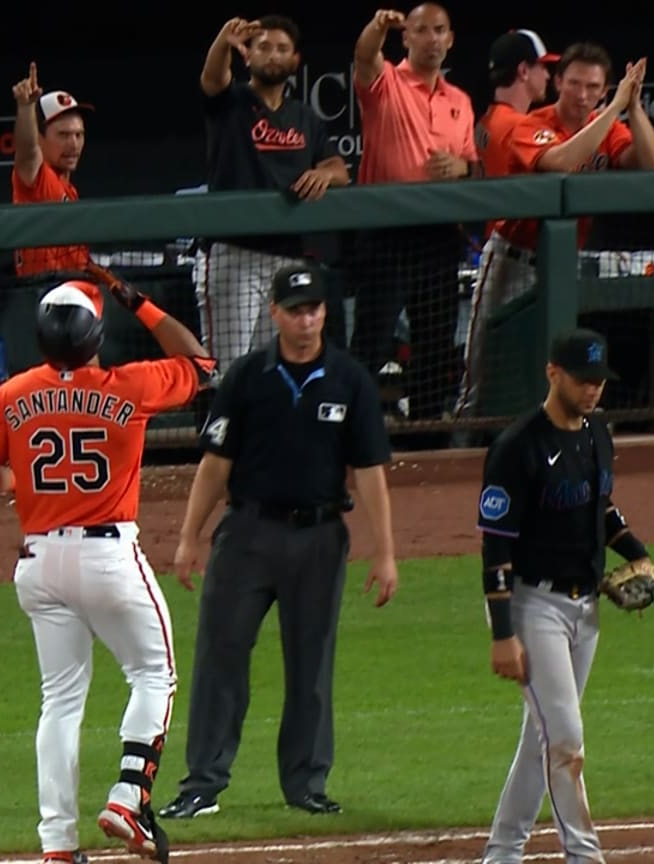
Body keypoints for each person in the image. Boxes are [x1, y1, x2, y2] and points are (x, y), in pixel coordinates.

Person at [0, 274, 220, 864]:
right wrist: (139, 300)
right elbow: (202, 361)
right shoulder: (130, 386)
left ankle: (57, 844)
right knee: (154, 673)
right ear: (96, 332)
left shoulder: (14, 394)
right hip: (108, 557)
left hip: (40, 562)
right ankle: (129, 797)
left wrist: (18, 481)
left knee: (60, 701)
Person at [156, 263, 399, 820]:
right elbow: (216, 463)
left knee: (311, 665)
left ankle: (306, 784)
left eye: (314, 309)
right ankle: (202, 783)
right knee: (221, 657)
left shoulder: (350, 379)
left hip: (319, 537)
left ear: (325, 313)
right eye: (295, 310)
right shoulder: (246, 377)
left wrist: (384, 551)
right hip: (246, 534)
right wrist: (189, 537)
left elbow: (368, 473)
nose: (306, 319)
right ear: (275, 314)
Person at [475, 327, 654, 864]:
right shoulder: (516, 448)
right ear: (553, 373)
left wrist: (637, 552)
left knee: (544, 738)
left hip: (586, 610)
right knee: (566, 739)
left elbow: (600, 508)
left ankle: (502, 854)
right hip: (534, 609)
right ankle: (585, 857)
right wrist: (503, 633)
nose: (593, 390)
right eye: (583, 380)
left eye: (599, 381)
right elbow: (496, 549)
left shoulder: (598, 435)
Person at [453, 38, 653, 427]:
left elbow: (649, 162)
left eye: (594, 88)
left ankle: (553, 442)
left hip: (559, 265)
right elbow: (560, 162)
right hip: (511, 257)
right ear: (558, 82)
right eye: (575, 84)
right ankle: (460, 451)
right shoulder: (533, 123)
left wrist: (635, 106)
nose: (583, 95)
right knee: (481, 366)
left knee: (555, 364)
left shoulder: (608, 128)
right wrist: (613, 108)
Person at [195, 15, 352, 368]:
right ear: (247, 56)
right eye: (263, 47)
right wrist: (223, 40)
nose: (273, 55)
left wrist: (325, 174)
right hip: (235, 252)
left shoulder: (305, 117)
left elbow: (339, 168)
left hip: (286, 256)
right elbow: (212, 77)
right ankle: (224, 426)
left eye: (282, 49)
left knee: (273, 365)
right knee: (229, 366)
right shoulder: (231, 102)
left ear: (295, 61)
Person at [348, 4, 479, 422]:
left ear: (451, 38)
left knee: (436, 342)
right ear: (406, 39)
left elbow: (473, 166)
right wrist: (375, 28)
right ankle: (353, 432)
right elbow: (365, 57)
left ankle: (428, 434)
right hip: (386, 231)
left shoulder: (459, 99)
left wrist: (462, 169)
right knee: (371, 338)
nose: (432, 38)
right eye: (421, 30)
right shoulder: (386, 81)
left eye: (440, 30)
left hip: (439, 236)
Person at [12, 62, 93, 279]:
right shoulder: (37, 180)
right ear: (40, 138)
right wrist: (27, 107)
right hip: (43, 295)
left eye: (79, 135)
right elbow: (28, 153)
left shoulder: (70, 189)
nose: (74, 144)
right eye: (63, 135)